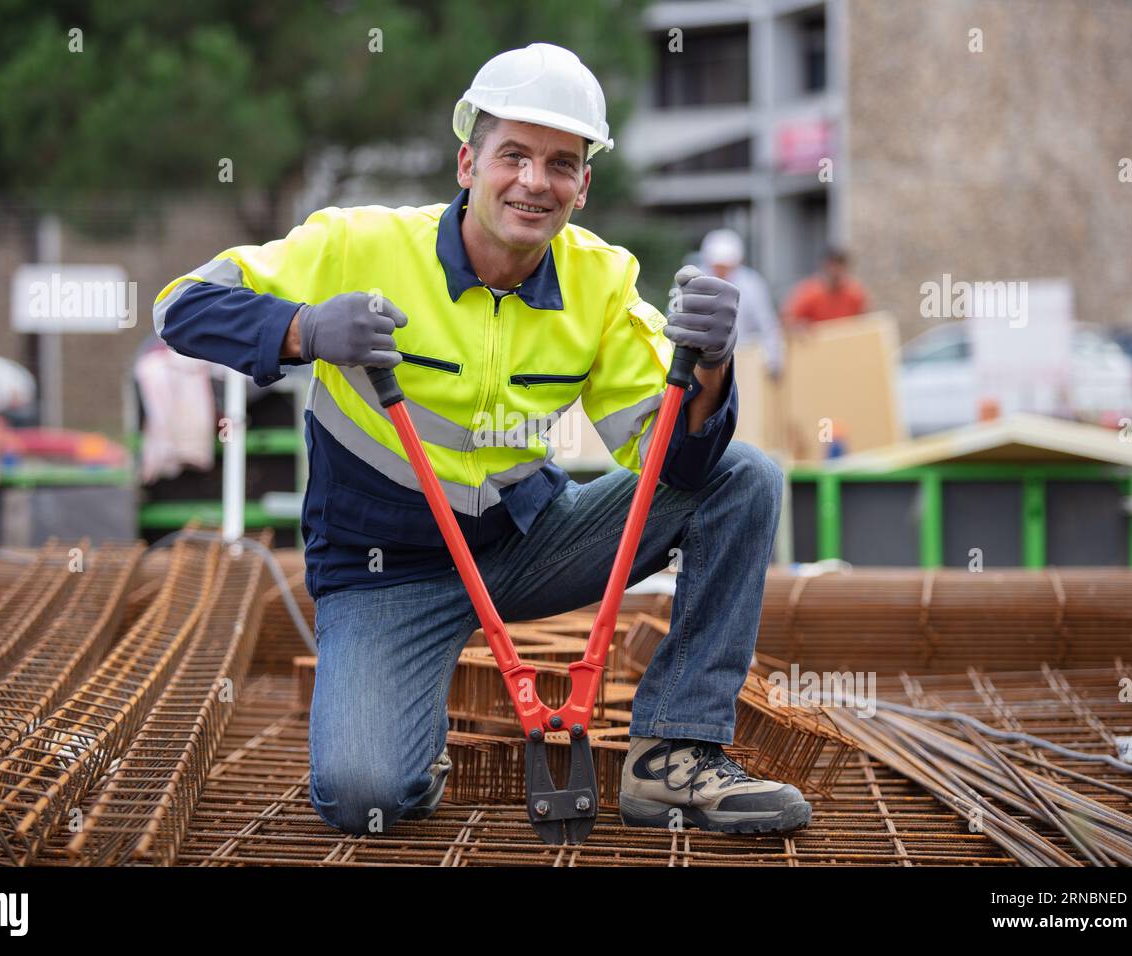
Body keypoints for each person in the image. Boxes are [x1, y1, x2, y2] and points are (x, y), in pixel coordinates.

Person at [153, 43, 809, 836]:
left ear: (583, 185)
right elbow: (181, 310)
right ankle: (407, 731)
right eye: (514, 156)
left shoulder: (600, 281)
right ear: (468, 163)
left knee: (746, 478)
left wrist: (709, 369)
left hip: (525, 544)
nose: (535, 181)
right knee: (365, 796)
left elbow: (684, 466)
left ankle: (673, 754)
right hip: (383, 570)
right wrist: (304, 328)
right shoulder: (359, 244)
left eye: (560, 163)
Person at [700, 228, 783, 378]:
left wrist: (773, 359)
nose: (721, 271)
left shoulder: (752, 284)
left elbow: (767, 324)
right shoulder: (694, 282)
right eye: (718, 266)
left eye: (726, 266)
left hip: (742, 361)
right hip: (702, 363)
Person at [781, 248, 868, 328]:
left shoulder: (854, 294)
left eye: (840, 265)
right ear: (824, 267)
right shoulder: (808, 292)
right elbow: (787, 320)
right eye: (832, 265)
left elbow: (863, 321)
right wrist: (799, 325)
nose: (836, 270)